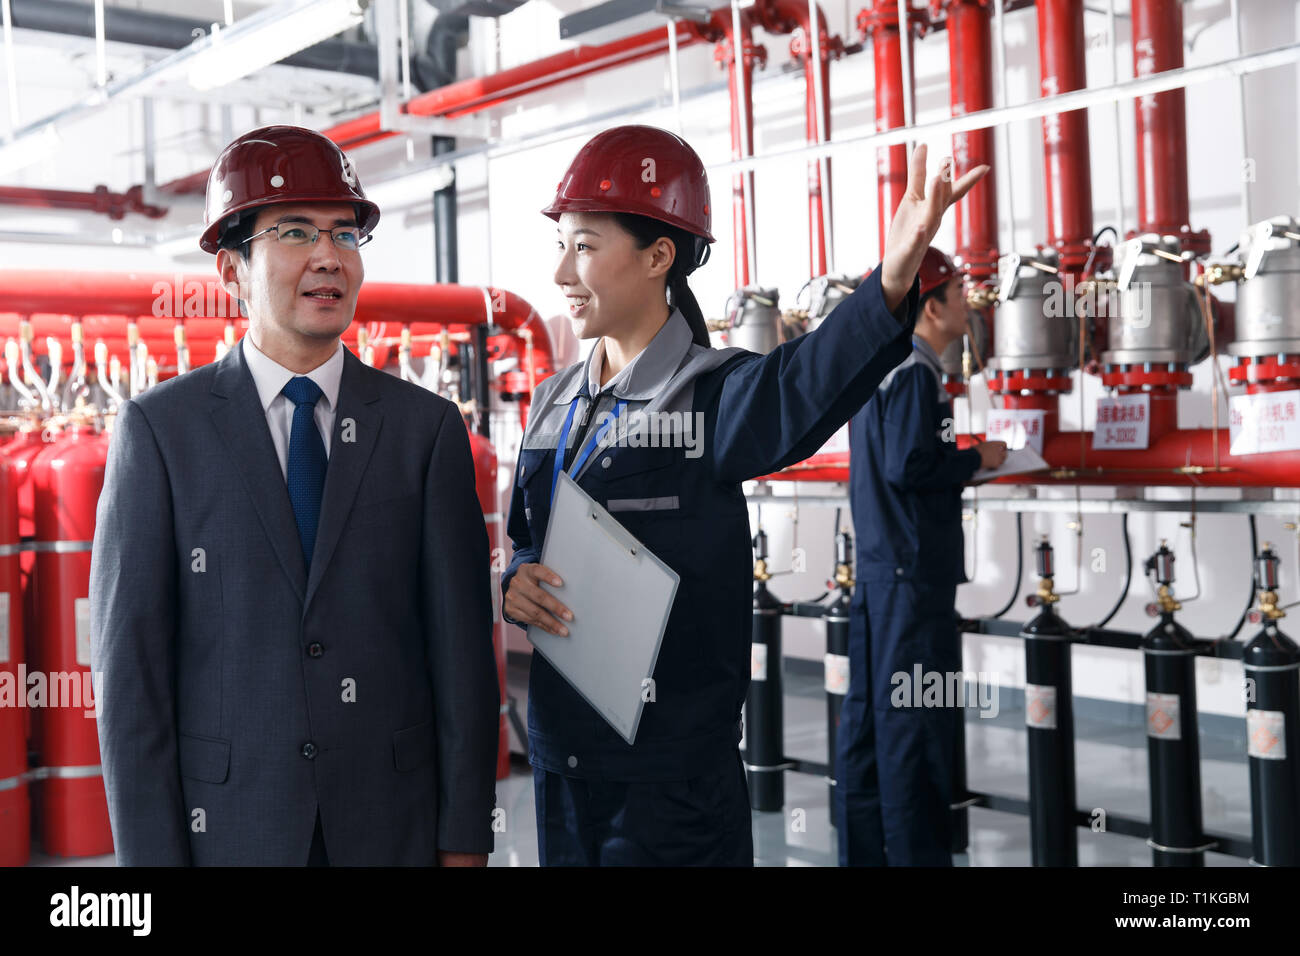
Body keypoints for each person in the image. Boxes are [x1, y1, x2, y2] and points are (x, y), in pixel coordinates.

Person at [501, 125, 987, 866]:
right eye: (561, 245)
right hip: (565, 763)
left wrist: (892, 279)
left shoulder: (714, 396)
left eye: (586, 246)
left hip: (672, 785)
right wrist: (516, 580)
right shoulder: (551, 402)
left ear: (659, 255)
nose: (563, 272)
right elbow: (526, 539)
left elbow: (808, 381)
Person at [90, 125, 499, 866]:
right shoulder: (160, 432)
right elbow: (132, 680)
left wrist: (466, 839)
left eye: (345, 235)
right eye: (294, 232)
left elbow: (463, 657)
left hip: (391, 825)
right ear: (232, 269)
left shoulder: (425, 431)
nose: (327, 256)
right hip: (233, 826)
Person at [835, 246, 1008, 866]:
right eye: (961, 294)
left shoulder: (879, 369)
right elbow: (911, 465)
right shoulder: (917, 371)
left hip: (883, 571)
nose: (969, 305)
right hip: (912, 577)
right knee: (914, 724)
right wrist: (976, 459)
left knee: (867, 719)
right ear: (930, 305)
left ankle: (865, 855)